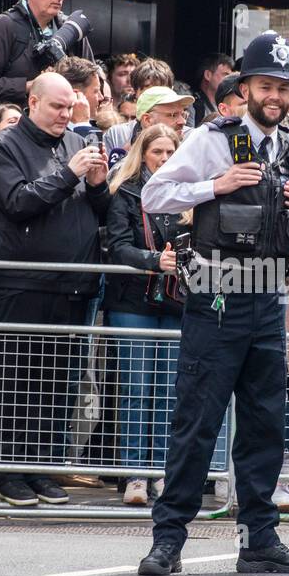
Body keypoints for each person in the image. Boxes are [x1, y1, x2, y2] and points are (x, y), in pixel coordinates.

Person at [137, 30, 289, 576]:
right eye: (266, 86)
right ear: (244, 88)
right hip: (216, 297)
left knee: (265, 427)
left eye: (284, 88)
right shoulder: (213, 139)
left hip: (266, 296)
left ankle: (259, 539)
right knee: (197, 423)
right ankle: (168, 540)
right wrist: (214, 186)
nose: (275, 97)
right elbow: (153, 195)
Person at [0, 72, 109, 506]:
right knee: (16, 381)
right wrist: (71, 175)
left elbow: (102, 213)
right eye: (56, 107)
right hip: (21, 282)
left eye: (70, 107)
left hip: (73, 283)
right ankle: (7, 471)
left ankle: (42, 468)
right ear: (32, 102)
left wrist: (97, 185)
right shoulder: (2, 146)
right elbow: (18, 203)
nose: (65, 115)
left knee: (58, 383)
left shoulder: (77, 143)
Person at [103, 123, 190, 506]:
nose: (165, 159)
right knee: (136, 390)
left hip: (175, 302)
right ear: (144, 154)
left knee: (169, 392)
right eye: (158, 153)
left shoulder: (188, 193)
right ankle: (135, 473)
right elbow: (117, 245)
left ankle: (162, 471)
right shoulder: (125, 191)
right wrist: (154, 259)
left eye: (171, 153)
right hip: (132, 301)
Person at [102, 59, 175, 155]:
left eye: (160, 90)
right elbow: (107, 169)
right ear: (135, 93)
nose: (155, 96)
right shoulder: (116, 134)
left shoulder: (186, 135)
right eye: (148, 90)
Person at [191, 53, 235, 128]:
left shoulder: (230, 104)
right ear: (208, 75)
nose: (229, 79)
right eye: (225, 74)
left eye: (230, 75)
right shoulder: (192, 104)